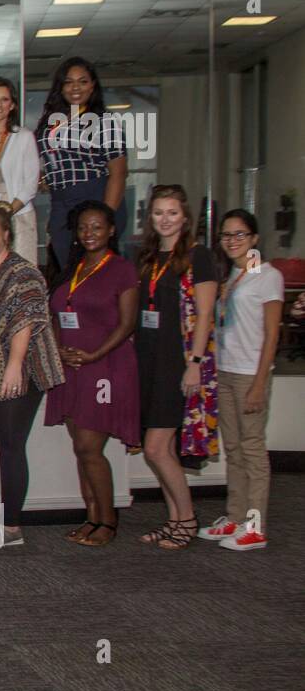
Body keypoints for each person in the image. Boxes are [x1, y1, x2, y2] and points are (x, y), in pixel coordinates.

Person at [0, 204, 65, 549]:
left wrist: (15, 365)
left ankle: (13, 525)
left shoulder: (24, 272)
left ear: (6, 233)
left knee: (9, 444)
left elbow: (28, 320)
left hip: (19, 369)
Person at [45, 201, 140, 547]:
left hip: (105, 365)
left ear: (112, 230)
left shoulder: (122, 270)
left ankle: (109, 521)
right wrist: (58, 351)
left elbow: (128, 323)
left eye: (97, 227)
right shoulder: (73, 268)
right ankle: (91, 517)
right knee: (80, 448)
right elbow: (56, 316)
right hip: (70, 367)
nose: (89, 233)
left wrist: (94, 355)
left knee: (89, 446)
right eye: (83, 227)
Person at [134, 184, 217, 551]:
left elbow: (204, 316)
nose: (165, 219)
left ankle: (187, 519)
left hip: (178, 362)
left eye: (172, 213)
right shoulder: (149, 257)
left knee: (156, 448)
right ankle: (173, 521)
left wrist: (195, 364)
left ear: (185, 218)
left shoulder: (199, 257)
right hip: (148, 362)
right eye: (158, 213)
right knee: (161, 450)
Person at [200, 210, 280, 551]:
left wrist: (260, 382)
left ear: (255, 239)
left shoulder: (268, 276)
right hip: (227, 372)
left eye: (240, 234)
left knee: (252, 449)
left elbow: (272, 334)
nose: (232, 241)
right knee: (233, 449)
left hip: (251, 374)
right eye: (226, 235)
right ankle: (235, 517)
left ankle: (255, 526)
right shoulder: (231, 275)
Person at [34, 57, 127, 271]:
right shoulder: (51, 121)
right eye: (69, 81)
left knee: (97, 270)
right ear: (61, 86)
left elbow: (119, 173)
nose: (75, 87)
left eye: (83, 81)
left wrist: (105, 218)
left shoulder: (104, 121)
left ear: (93, 85)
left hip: (95, 197)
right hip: (60, 202)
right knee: (69, 268)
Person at [0, 77, 39, 265]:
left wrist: (7, 212)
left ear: (12, 106)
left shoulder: (23, 137)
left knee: (20, 272)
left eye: (5, 100)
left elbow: (31, 184)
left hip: (16, 216)